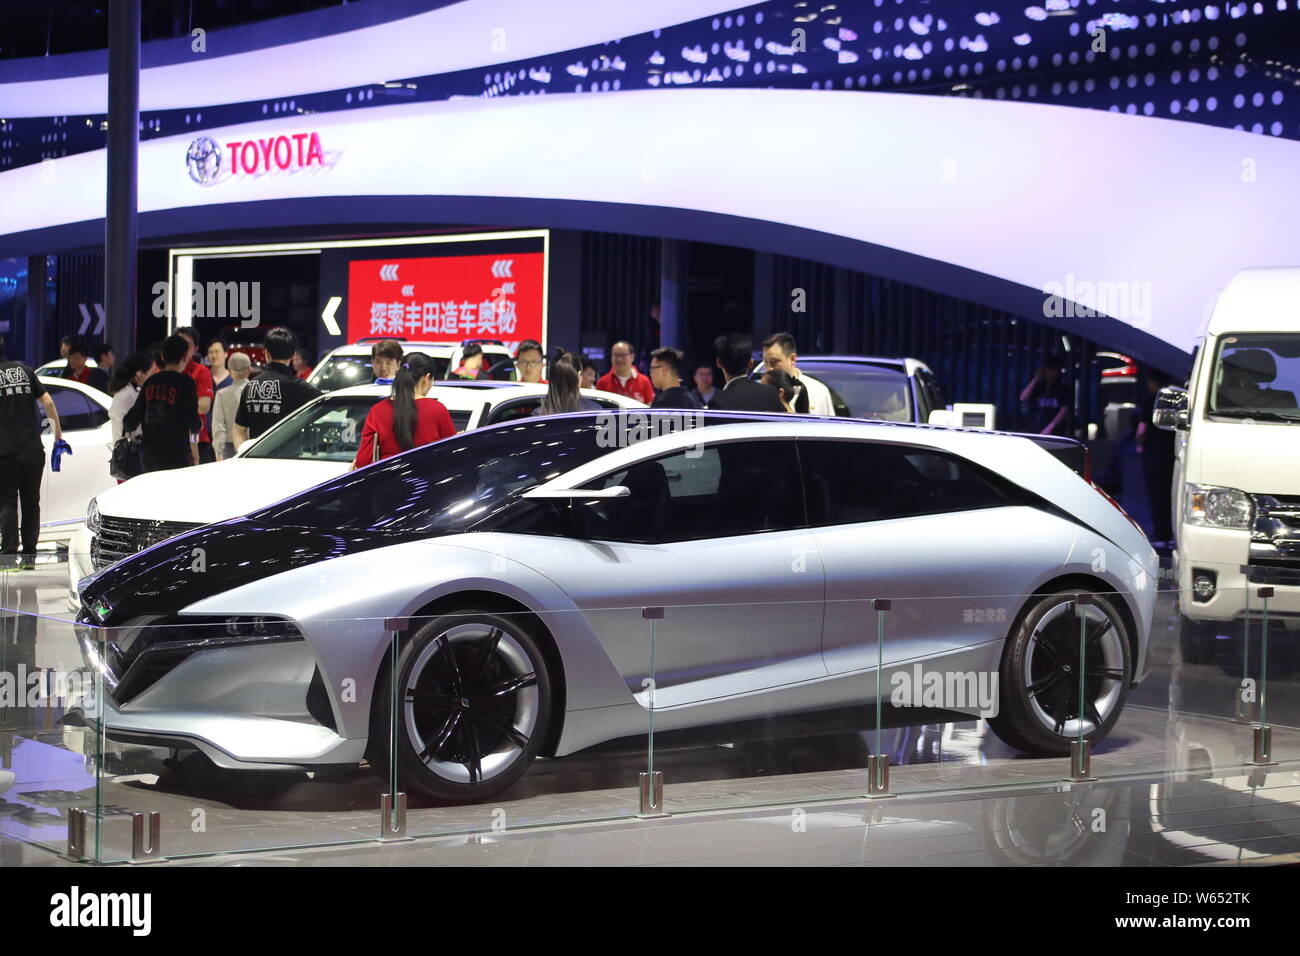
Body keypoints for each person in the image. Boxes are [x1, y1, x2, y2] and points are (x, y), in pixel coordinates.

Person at [0, 331, 62, 570]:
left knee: (6, 503)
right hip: (32, 450)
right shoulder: (25, 371)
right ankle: (29, 558)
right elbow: (48, 402)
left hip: (4, 452)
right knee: (31, 503)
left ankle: (7, 558)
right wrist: (57, 433)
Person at [351, 352, 455, 469]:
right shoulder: (437, 409)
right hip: (425, 482)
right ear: (426, 378)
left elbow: (364, 460)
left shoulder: (377, 411)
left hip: (386, 483)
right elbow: (451, 453)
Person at [124, 334, 201, 473]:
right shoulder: (186, 382)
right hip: (176, 454)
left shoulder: (150, 382)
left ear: (163, 357)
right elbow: (193, 421)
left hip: (148, 455)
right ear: (185, 357)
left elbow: (131, 420)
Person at [233, 327, 321, 443]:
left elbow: (238, 430)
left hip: (254, 459)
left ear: (266, 353)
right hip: (289, 459)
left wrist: (243, 456)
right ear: (293, 354)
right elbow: (329, 403)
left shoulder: (251, 386)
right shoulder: (300, 388)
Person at [1136, 367, 1177, 548]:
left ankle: (1160, 535)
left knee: (1156, 496)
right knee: (1171, 496)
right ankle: (1171, 536)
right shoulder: (1175, 400)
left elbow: (1141, 431)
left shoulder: (1150, 401)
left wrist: (1139, 445)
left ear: (1153, 382)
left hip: (1153, 456)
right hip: (1172, 456)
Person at [761, 332, 834, 416]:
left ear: (792, 359)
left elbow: (830, 426)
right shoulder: (761, 390)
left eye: (774, 362)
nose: (769, 368)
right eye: (765, 362)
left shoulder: (818, 391)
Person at [107, 351, 154, 479]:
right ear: (140, 374)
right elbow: (132, 427)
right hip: (130, 461)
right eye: (152, 372)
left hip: (128, 461)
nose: (154, 376)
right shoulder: (128, 394)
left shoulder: (128, 391)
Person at [708, 332, 784, 412]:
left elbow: (698, 423)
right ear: (751, 363)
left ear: (718, 362)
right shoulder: (771, 393)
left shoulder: (717, 402)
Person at [174, 326, 216, 463]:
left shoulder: (201, 371)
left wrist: (172, 409)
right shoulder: (162, 370)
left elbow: (204, 406)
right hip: (169, 439)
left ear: (196, 349)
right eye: (179, 343)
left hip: (197, 441)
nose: (183, 348)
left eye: (188, 345)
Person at [1020, 351, 1072, 435]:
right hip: (1035, 429)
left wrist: (1050, 427)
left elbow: (1063, 410)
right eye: (1048, 369)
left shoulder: (1062, 388)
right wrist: (1035, 379)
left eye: (1053, 369)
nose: (1050, 372)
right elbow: (1023, 398)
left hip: (1054, 432)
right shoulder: (1037, 386)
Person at [212, 352, 253, 460]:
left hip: (228, 448)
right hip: (253, 445)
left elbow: (218, 425)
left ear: (230, 372)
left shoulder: (222, 394)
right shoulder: (255, 391)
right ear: (249, 370)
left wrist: (218, 452)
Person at [534, 353, 601, 416]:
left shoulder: (538, 415)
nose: (593, 379)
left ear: (552, 380)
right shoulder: (595, 411)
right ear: (579, 376)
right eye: (589, 374)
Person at [596, 340, 655, 404]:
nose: (619, 359)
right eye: (615, 355)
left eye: (622, 355)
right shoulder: (603, 382)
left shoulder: (644, 381)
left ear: (632, 357)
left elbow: (650, 406)